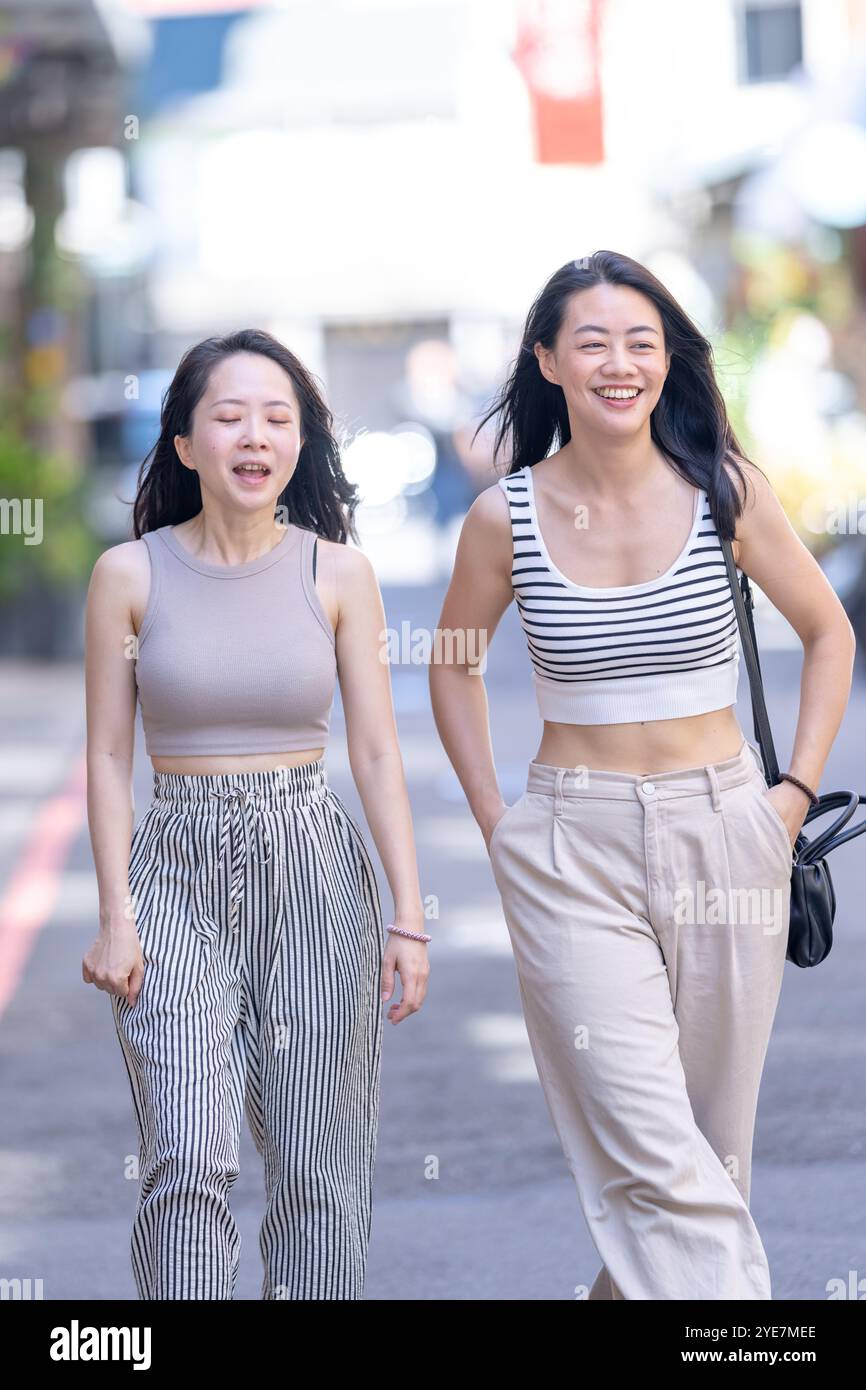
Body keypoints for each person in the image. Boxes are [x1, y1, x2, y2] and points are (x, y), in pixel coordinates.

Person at [429, 252, 856, 1300]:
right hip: (570, 850)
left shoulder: (723, 490)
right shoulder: (504, 518)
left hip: (726, 834)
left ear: (668, 358)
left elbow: (827, 631)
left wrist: (786, 797)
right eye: (591, 341)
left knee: (705, 1158)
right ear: (546, 360)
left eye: (640, 341)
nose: (618, 363)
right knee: (651, 1147)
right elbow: (451, 666)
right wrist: (500, 822)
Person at [82, 328, 430, 1300]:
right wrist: (117, 913)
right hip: (174, 876)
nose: (254, 434)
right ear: (186, 443)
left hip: (314, 865)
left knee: (319, 1169)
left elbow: (373, 751)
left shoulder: (338, 574)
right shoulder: (129, 575)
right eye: (228, 415)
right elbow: (109, 753)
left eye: (277, 417)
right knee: (188, 1155)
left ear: (301, 443)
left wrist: (408, 912)